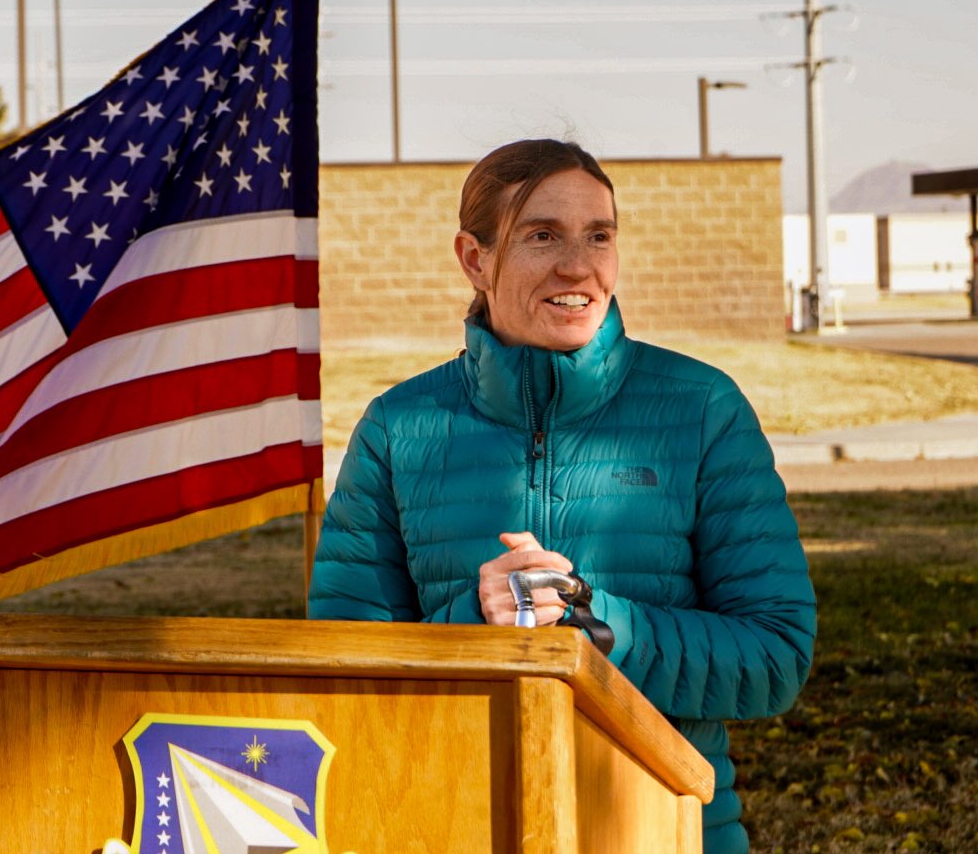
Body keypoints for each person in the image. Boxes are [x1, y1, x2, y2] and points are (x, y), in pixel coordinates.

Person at [307, 138, 816, 854]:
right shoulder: (399, 429)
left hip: (662, 832)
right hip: (455, 829)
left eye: (598, 237)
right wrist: (479, 625)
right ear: (474, 259)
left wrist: (595, 625)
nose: (577, 266)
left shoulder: (703, 409)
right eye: (542, 235)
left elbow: (775, 659)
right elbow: (343, 678)